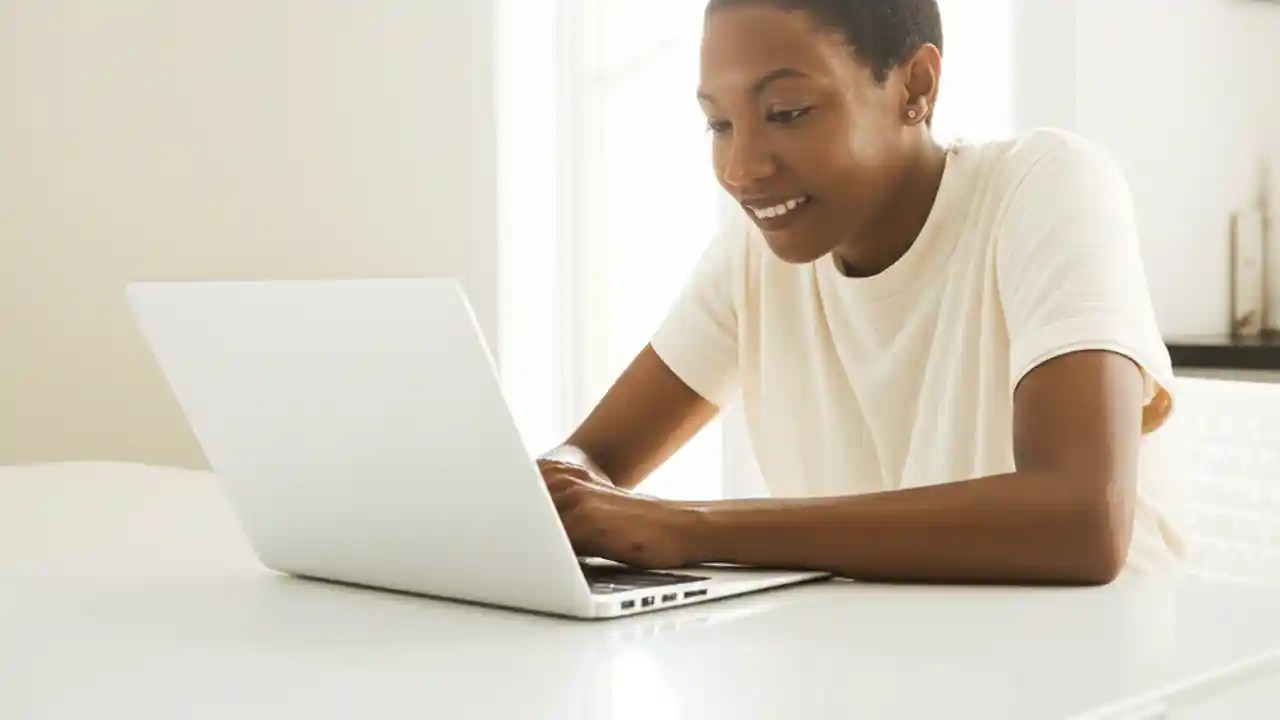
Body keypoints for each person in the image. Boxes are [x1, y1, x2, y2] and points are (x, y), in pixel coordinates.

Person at [536, 0, 1183, 585]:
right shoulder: (753, 258)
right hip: (898, 675)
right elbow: (592, 457)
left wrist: (692, 528)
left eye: (787, 113)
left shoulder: (1043, 187)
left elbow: (1081, 520)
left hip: (1103, 681)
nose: (740, 169)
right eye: (719, 124)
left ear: (916, 86)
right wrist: (555, 488)